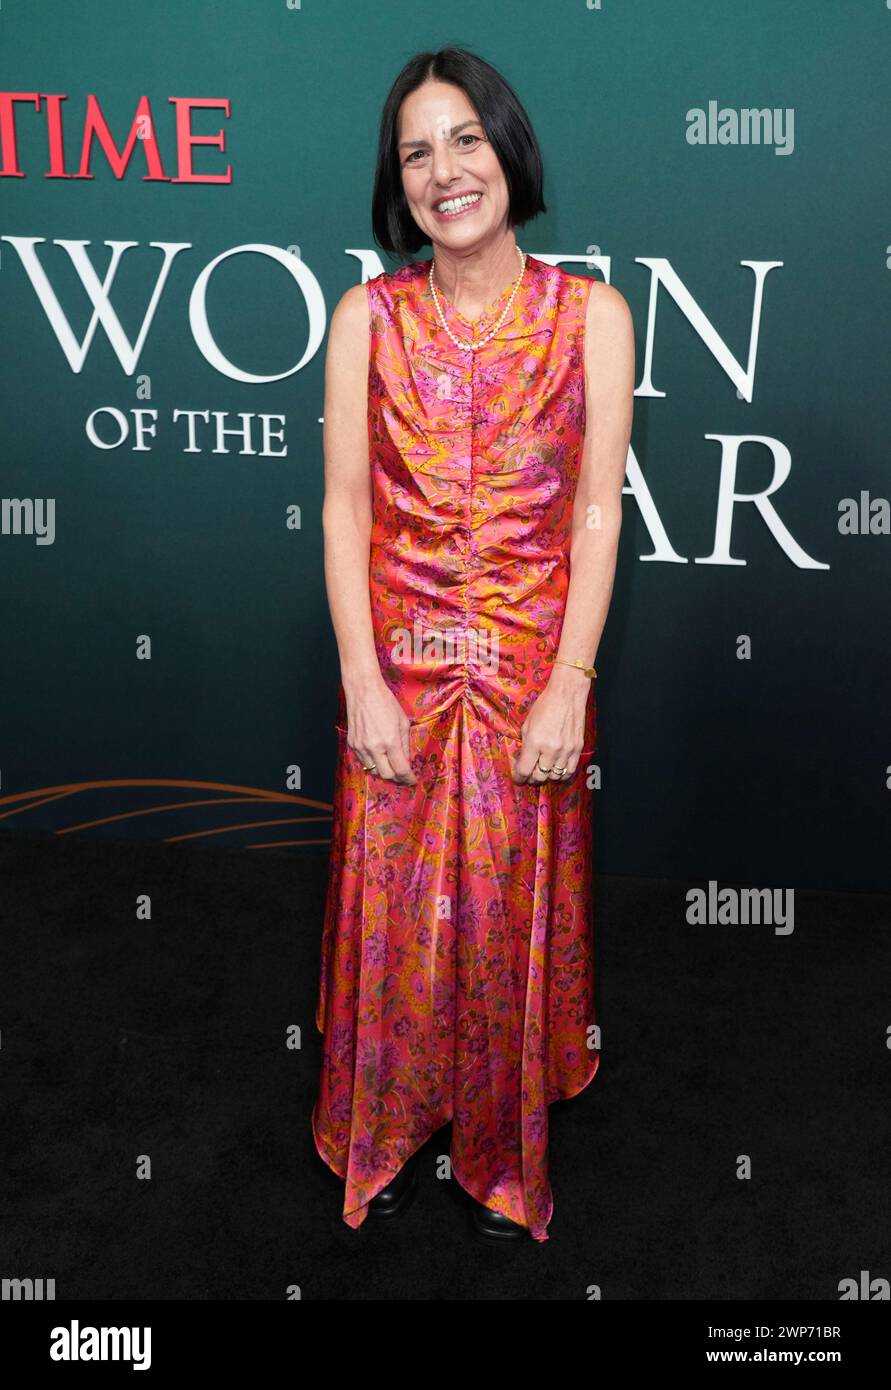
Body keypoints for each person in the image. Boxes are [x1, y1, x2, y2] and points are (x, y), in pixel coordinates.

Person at [312, 45, 634, 1242]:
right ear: (398, 185)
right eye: (417, 152)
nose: (445, 171)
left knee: (504, 915)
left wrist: (571, 682)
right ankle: (387, 1124)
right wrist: (363, 680)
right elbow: (346, 505)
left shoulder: (592, 316)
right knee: (394, 908)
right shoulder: (366, 318)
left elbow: (598, 512)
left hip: (527, 677)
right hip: (394, 663)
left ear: (508, 149)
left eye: (465, 139)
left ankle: (501, 1147)